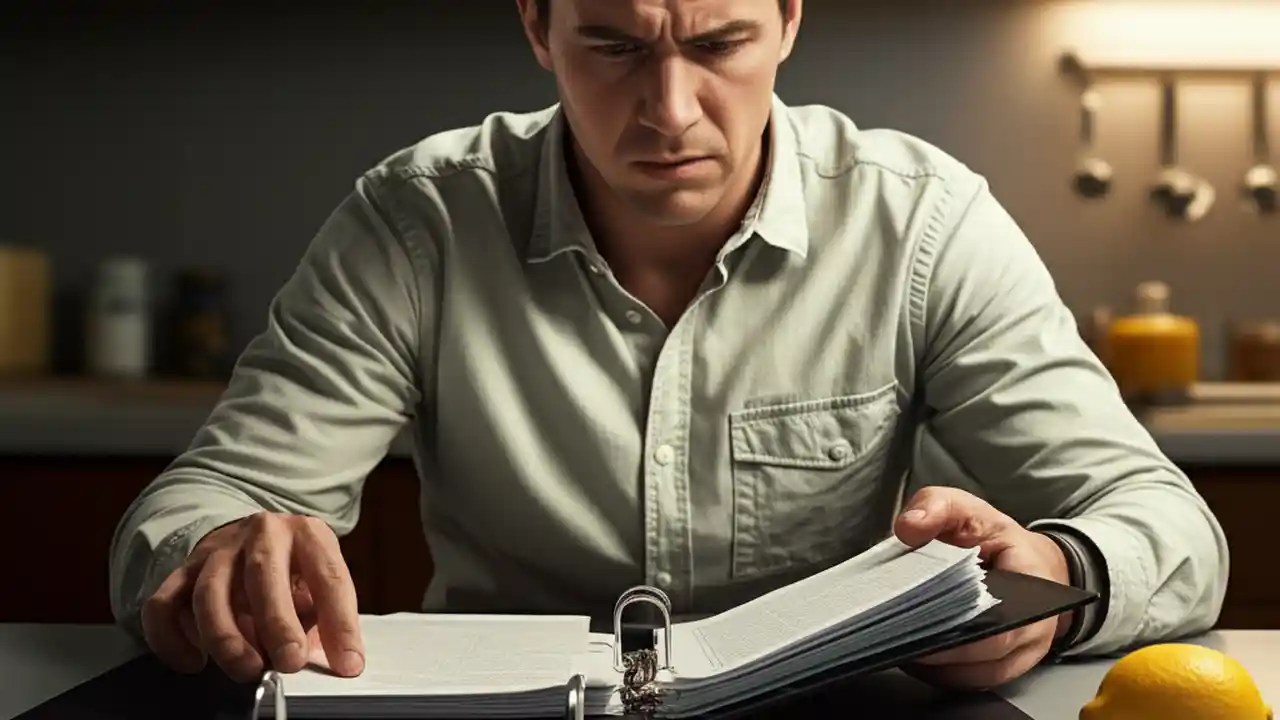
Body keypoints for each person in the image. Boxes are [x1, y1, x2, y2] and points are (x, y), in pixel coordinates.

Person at [108, 0, 1228, 694]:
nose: (671, 109)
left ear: (788, 19)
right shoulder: (419, 222)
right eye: (612, 44)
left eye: (718, 42)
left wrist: (1058, 577)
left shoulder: (920, 223)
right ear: (536, 26)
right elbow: (204, 497)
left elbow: (1164, 522)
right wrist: (214, 554)